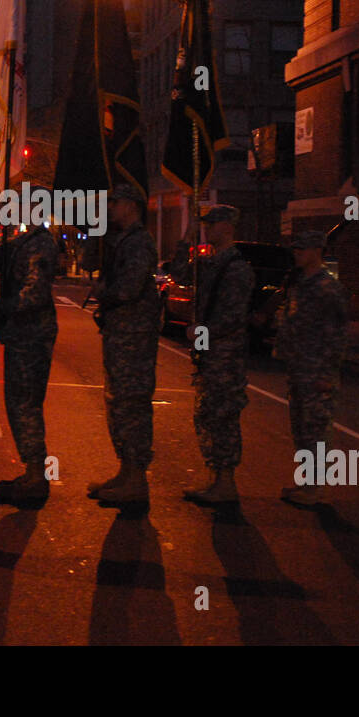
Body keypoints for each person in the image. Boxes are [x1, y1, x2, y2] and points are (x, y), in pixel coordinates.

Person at [173, 204, 254, 505]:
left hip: (226, 358)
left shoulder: (237, 269)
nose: (208, 228)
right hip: (211, 356)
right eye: (206, 223)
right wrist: (188, 236)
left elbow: (231, 318)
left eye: (213, 223)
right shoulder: (212, 264)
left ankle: (226, 482)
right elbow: (178, 272)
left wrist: (200, 333)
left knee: (223, 417)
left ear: (228, 226)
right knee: (208, 415)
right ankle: (217, 480)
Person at [86, 182, 160, 506]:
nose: (111, 208)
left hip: (133, 336)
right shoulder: (122, 241)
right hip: (121, 334)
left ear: (131, 205)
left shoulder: (139, 243)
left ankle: (136, 479)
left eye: (115, 202)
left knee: (131, 404)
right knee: (118, 404)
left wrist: (104, 290)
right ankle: (126, 472)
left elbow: (128, 288)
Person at [277, 229, 349, 506]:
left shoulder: (327, 289)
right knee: (301, 429)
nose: (297, 253)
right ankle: (306, 482)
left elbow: (337, 335)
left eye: (302, 249)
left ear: (317, 251)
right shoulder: (300, 284)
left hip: (316, 371)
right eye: (295, 249)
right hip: (299, 368)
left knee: (316, 429)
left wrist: (327, 375)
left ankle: (316, 488)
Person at [0, 213, 59, 504]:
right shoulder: (23, 241)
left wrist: (3, 308)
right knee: (19, 403)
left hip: (31, 335)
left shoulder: (41, 243)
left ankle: (36, 476)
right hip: (21, 334)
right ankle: (33, 472)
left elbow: (36, 292)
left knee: (25, 404)